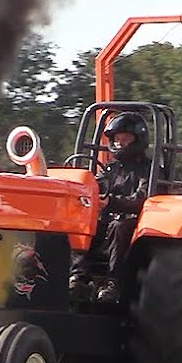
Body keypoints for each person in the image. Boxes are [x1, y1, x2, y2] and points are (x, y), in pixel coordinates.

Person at [70, 111, 153, 303]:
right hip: (108, 218)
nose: (120, 143)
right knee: (80, 224)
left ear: (138, 139)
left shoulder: (149, 169)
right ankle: (79, 277)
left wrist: (111, 202)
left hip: (137, 222)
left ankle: (113, 282)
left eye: (125, 139)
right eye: (117, 139)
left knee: (118, 225)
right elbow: (95, 185)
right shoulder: (110, 168)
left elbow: (142, 199)